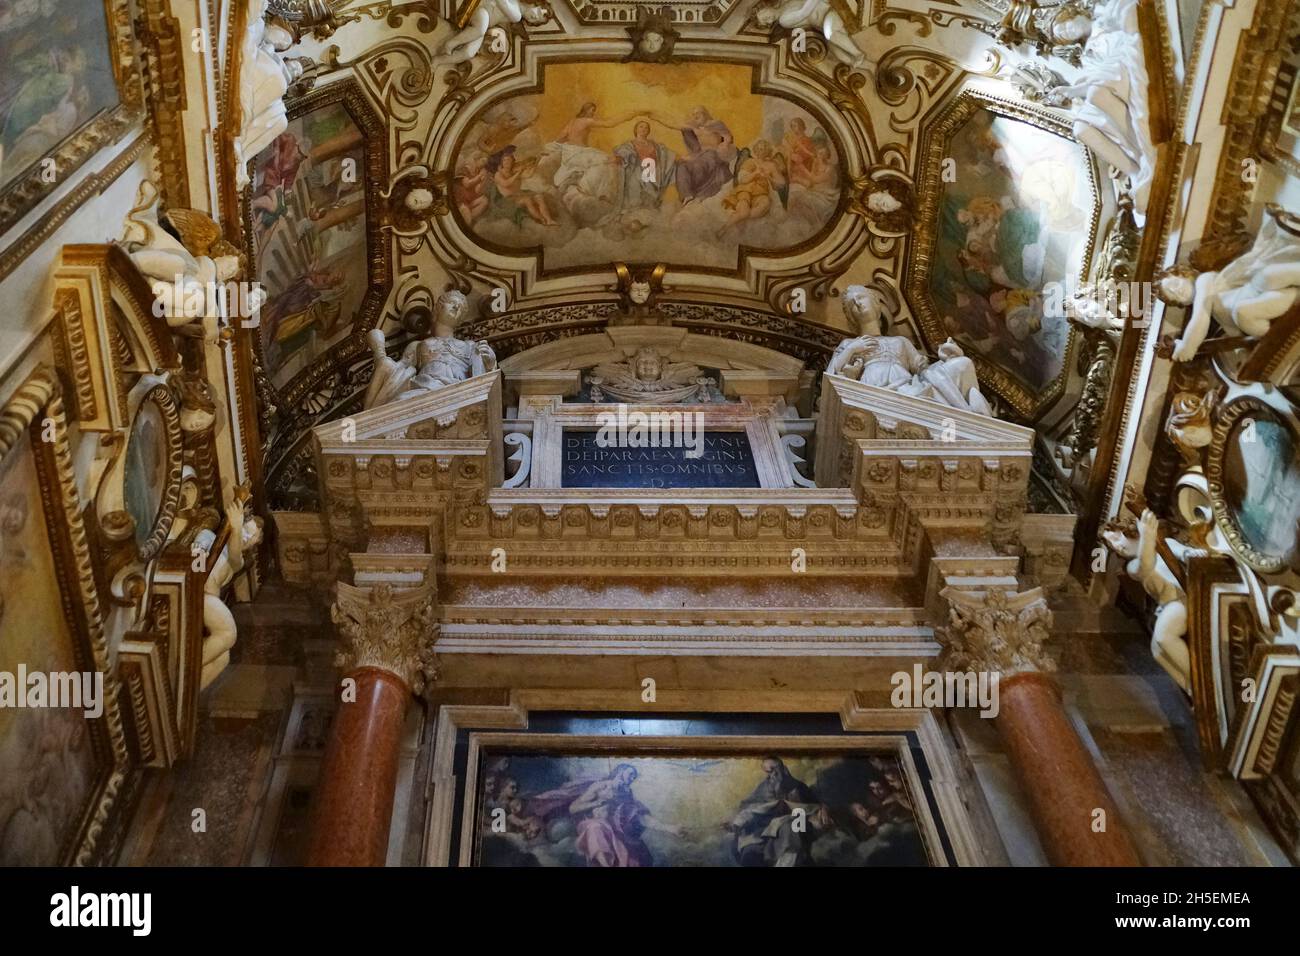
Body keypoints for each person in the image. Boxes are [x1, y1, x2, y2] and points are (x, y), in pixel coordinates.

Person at [726, 757, 830, 866]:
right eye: (768, 772)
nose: (773, 775)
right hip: (766, 831)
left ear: (783, 768)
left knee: (791, 833)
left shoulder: (798, 787)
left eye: (775, 769)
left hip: (794, 829)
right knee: (750, 854)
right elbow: (748, 807)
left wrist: (823, 809)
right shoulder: (764, 788)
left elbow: (816, 805)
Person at [646, 107, 737, 203]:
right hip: (701, 155)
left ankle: (699, 189)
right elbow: (673, 124)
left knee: (697, 163)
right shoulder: (694, 127)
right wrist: (655, 117)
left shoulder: (715, 123)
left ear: (705, 114)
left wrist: (725, 144)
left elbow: (727, 135)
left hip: (713, 154)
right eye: (693, 114)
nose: (695, 116)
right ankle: (687, 196)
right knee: (681, 166)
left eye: (698, 113)